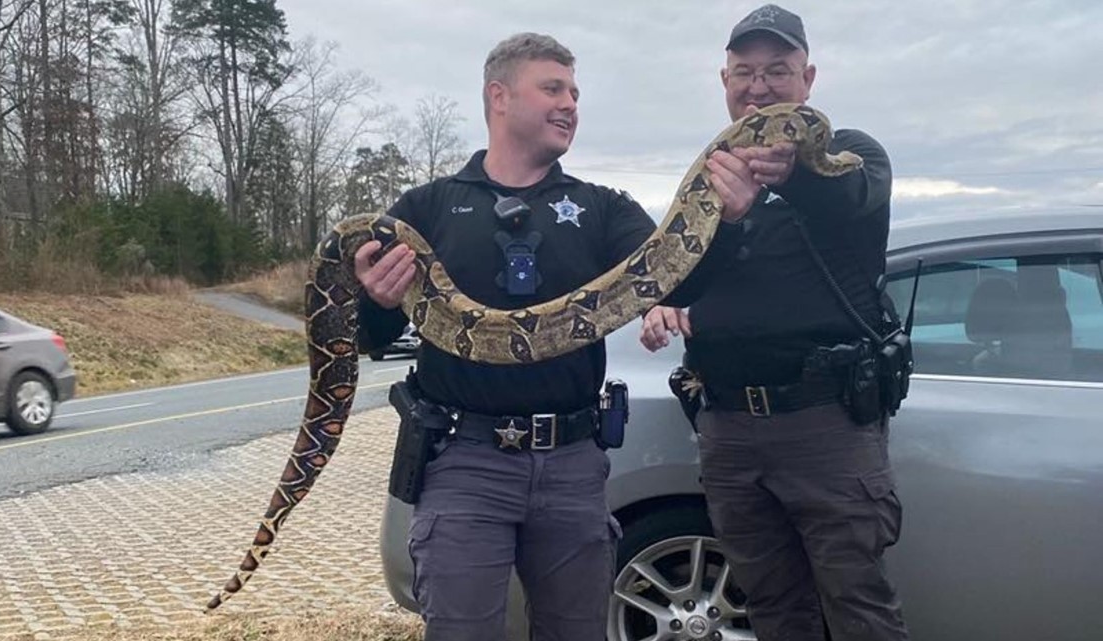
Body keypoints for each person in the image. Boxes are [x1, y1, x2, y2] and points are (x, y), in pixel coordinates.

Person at [355, 33, 656, 641]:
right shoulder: (427, 208)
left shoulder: (602, 208)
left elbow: (677, 272)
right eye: (553, 88)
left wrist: (714, 234)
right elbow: (370, 335)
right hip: (464, 462)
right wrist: (377, 300)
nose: (570, 103)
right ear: (499, 96)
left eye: (574, 93)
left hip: (573, 461)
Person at [640, 5, 911, 641]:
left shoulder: (849, 153)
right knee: (770, 606)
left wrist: (791, 176)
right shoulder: (710, 185)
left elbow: (851, 199)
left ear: (807, 80)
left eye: (777, 71)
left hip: (826, 427)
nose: (758, 87)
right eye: (744, 72)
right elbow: (682, 283)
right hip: (729, 429)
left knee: (859, 607)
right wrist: (729, 223)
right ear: (725, 81)